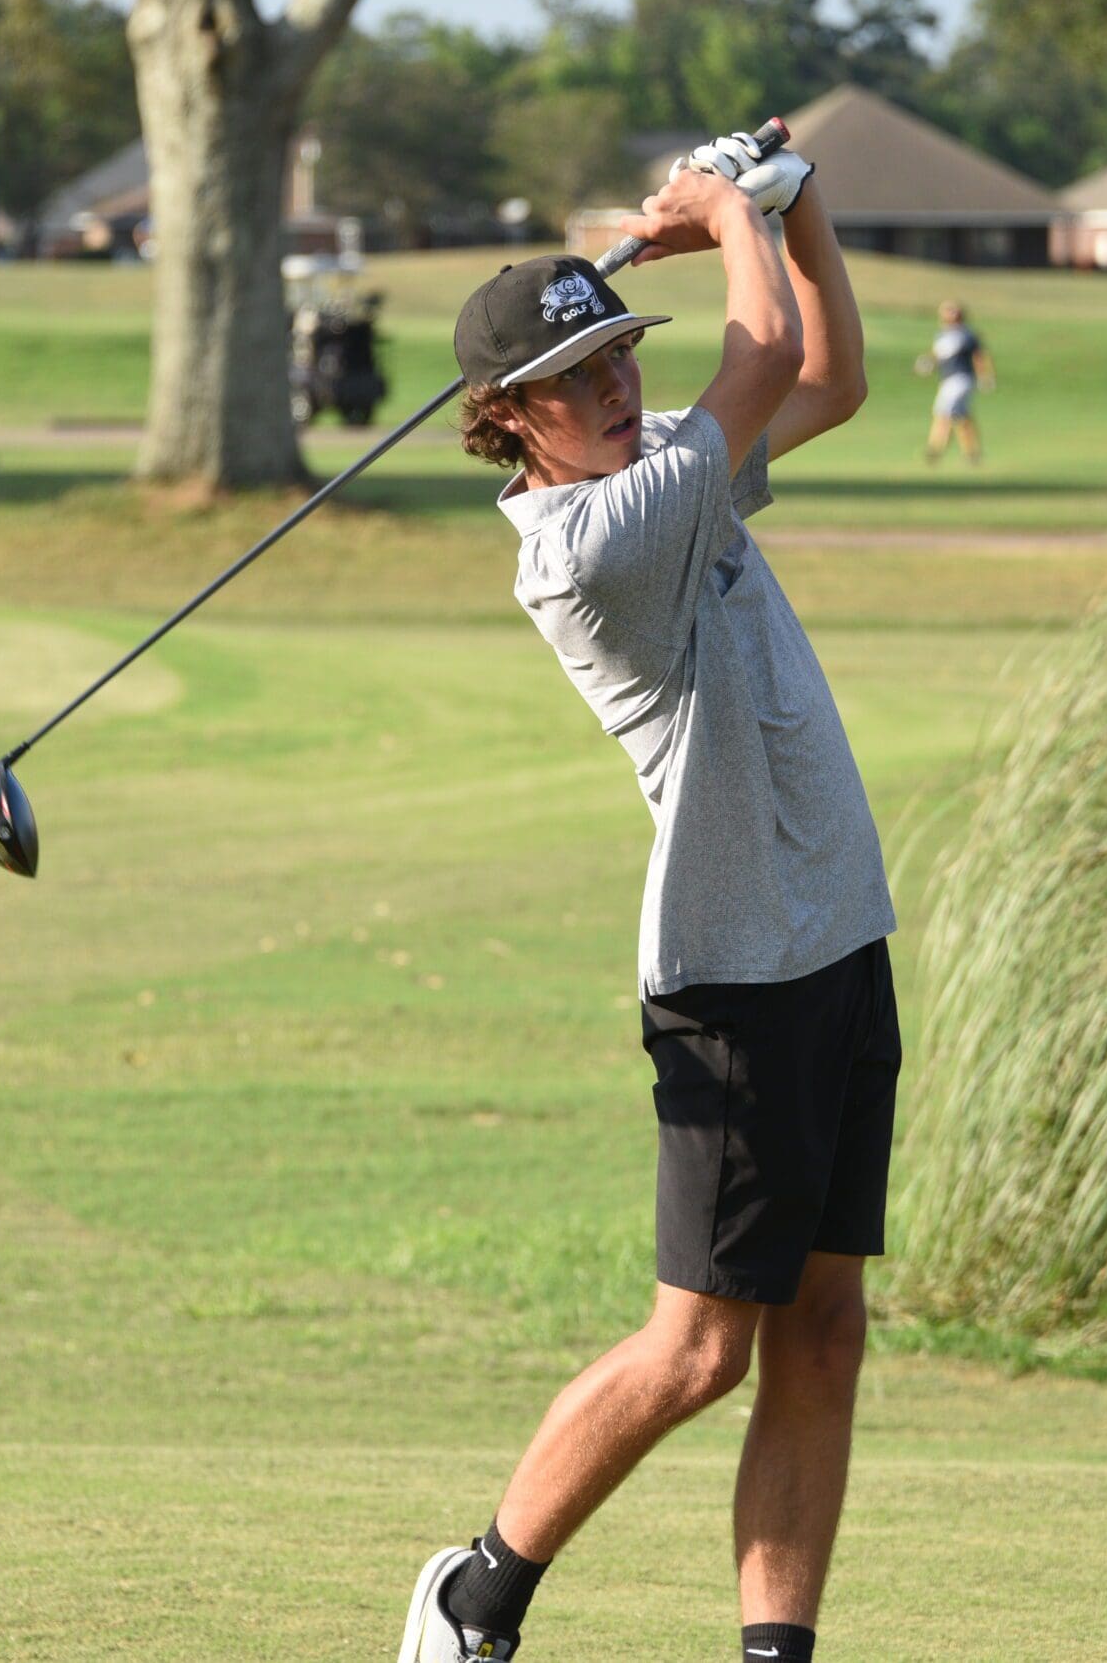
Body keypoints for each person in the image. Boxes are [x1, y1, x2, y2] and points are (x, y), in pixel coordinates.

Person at [400, 130, 896, 1663]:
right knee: (697, 1347)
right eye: (580, 377)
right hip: (732, 971)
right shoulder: (596, 540)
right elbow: (759, 350)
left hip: (836, 937)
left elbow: (828, 374)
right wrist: (733, 210)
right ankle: (474, 1594)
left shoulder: (662, 465)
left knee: (823, 1329)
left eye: (620, 352)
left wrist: (796, 211)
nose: (617, 386)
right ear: (510, 422)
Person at [914, 300, 993, 466]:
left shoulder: (966, 335)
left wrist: (985, 376)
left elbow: (978, 357)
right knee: (962, 417)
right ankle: (972, 453)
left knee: (943, 413)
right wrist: (928, 362)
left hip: (960, 379)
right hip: (947, 380)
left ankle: (934, 450)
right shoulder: (942, 335)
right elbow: (937, 355)